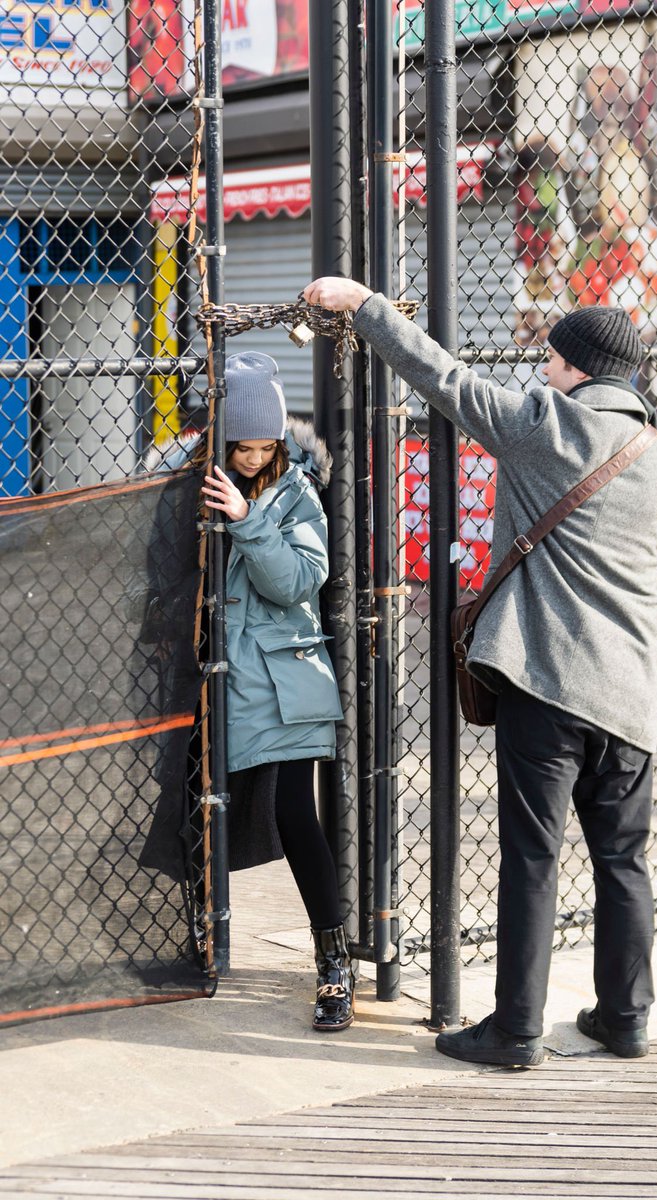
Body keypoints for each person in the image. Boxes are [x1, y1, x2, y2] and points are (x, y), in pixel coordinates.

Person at [304, 277, 657, 1066]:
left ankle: (517, 1030)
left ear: (579, 369)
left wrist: (364, 304)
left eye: (551, 360)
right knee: (624, 859)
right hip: (631, 693)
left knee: (532, 856)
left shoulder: (539, 425)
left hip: (545, 679)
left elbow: (442, 377)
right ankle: (625, 1018)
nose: (543, 370)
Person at [153, 351, 354, 1032]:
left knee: (296, 813)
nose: (256, 457)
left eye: (267, 446)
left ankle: (333, 961)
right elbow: (158, 578)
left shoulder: (297, 492)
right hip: (205, 680)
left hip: (283, 681)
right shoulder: (183, 488)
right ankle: (198, 941)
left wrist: (246, 518)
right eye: (244, 447)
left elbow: (296, 581)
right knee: (191, 812)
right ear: (220, 438)